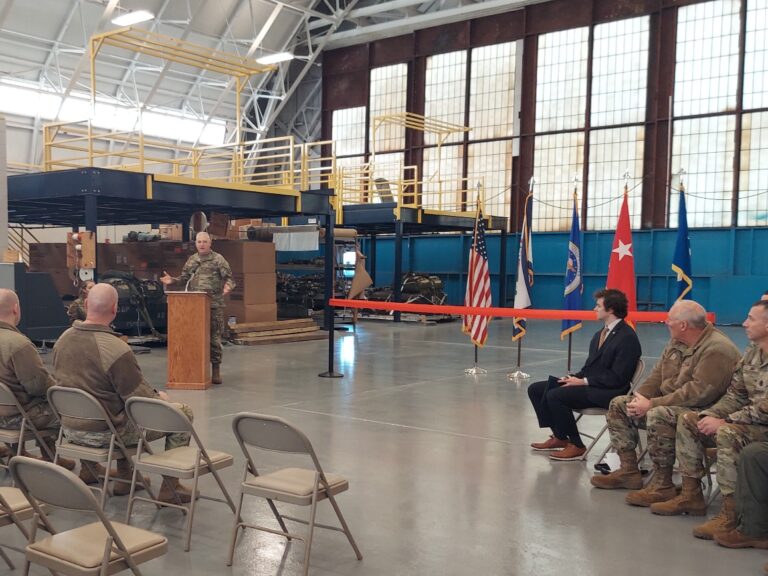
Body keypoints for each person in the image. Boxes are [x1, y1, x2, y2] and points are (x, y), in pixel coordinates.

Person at [590, 300, 740, 509]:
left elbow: (698, 393)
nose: (666, 322)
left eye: (670, 319)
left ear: (684, 325)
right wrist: (639, 398)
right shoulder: (676, 342)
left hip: (705, 411)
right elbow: (657, 376)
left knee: (659, 415)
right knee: (619, 404)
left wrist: (652, 404)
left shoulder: (717, 349)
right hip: (672, 403)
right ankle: (629, 471)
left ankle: (663, 484)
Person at [53, 283, 196, 502]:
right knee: (181, 413)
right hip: (107, 435)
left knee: (109, 402)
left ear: (87, 304)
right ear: (115, 309)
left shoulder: (62, 341)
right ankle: (170, 487)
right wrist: (161, 399)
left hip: (71, 430)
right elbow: (139, 400)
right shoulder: (116, 349)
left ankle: (110, 474)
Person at [649, 300, 768, 541]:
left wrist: (727, 421)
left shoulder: (718, 347)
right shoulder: (752, 352)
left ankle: (731, 512)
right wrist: (712, 415)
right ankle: (691, 494)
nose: (744, 323)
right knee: (691, 420)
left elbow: (765, 408)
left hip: (760, 424)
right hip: (751, 421)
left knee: (728, 434)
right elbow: (736, 395)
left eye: (751, 319)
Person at [528, 289, 642, 461]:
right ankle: (560, 436)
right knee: (536, 389)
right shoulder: (600, 334)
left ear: (610, 309)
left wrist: (583, 382)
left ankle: (577, 445)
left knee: (556, 395)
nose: (594, 309)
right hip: (592, 384)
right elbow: (590, 366)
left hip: (610, 391)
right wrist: (574, 378)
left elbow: (618, 377)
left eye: (598, 305)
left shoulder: (627, 337)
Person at [160, 231, 235, 385]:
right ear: (196, 244)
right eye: (199, 242)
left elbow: (230, 278)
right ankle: (196, 370)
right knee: (194, 338)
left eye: (204, 242)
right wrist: (171, 281)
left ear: (210, 243)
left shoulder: (218, 259)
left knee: (214, 338)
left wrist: (228, 286)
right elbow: (184, 279)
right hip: (195, 306)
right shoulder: (192, 260)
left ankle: (215, 370)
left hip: (214, 304)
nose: (202, 244)